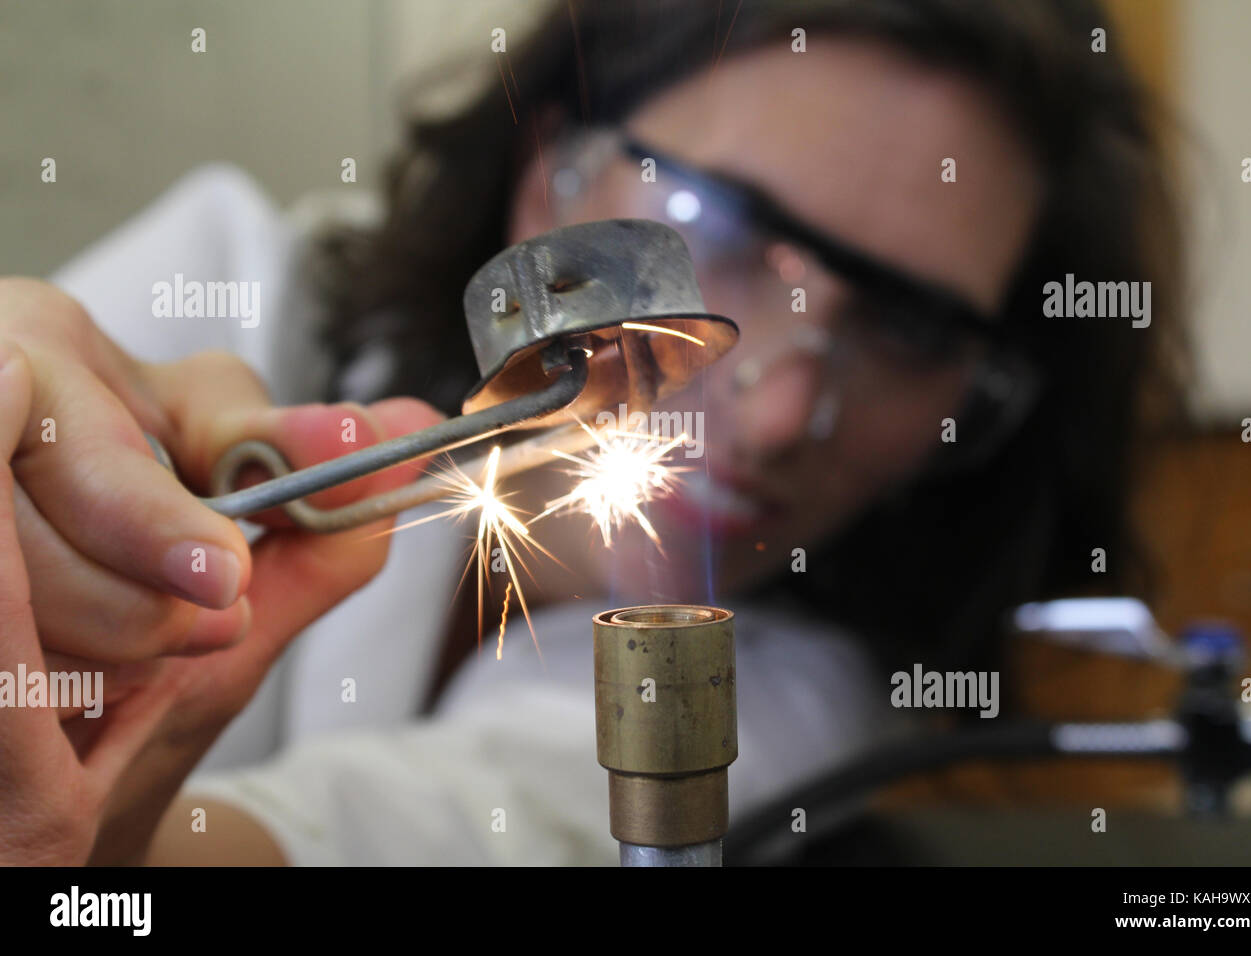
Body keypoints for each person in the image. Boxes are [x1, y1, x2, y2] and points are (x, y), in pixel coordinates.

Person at [0, 0, 1183, 865]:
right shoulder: (241, 284)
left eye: (910, 328)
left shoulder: (803, 689)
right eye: (715, 222)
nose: (774, 412)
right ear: (544, 175)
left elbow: (434, 828)